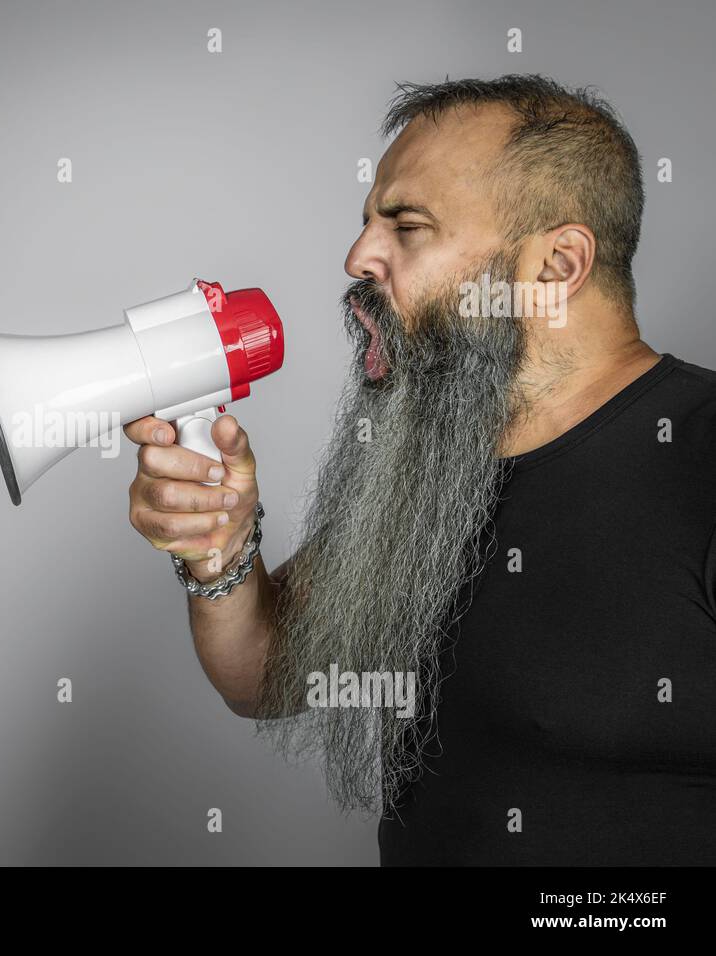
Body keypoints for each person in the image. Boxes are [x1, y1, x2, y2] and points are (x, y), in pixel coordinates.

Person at [125, 74, 716, 865]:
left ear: (556, 265)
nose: (358, 256)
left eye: (406, 226)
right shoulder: (434, 458)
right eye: (369, 221)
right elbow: (269, 675)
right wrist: (221, 553)